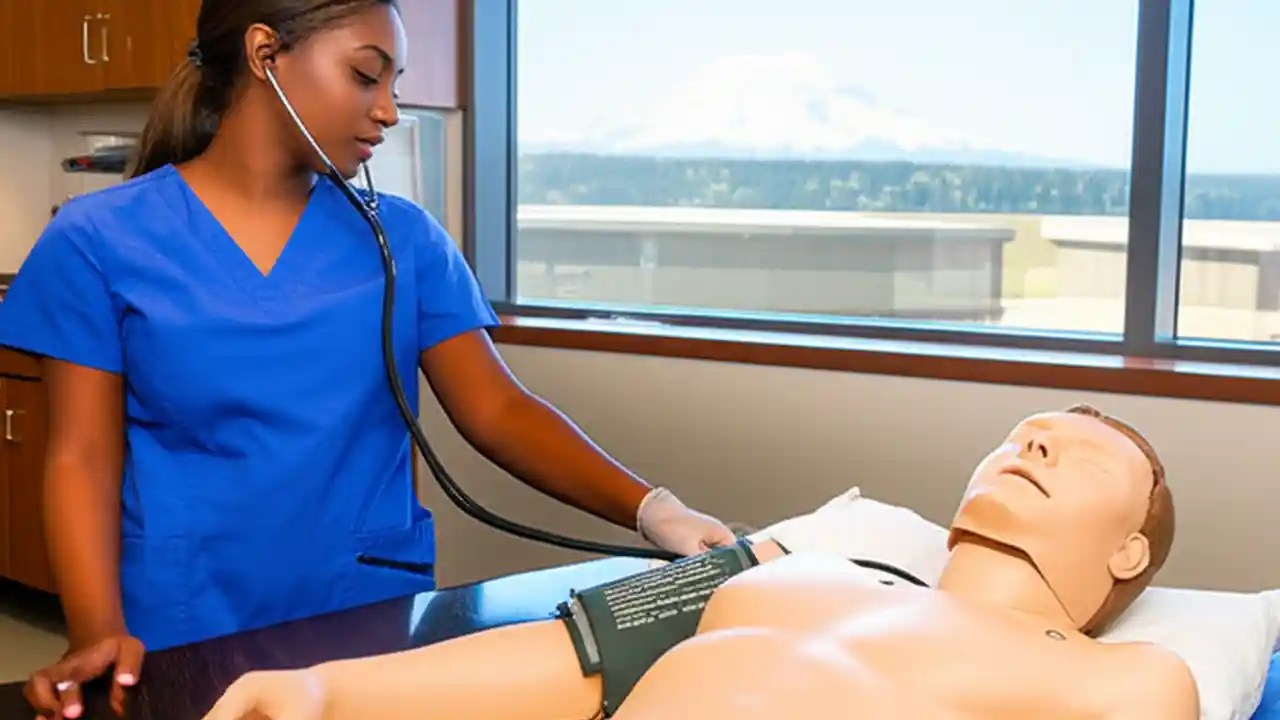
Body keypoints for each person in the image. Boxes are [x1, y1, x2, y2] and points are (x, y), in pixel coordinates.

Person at [5, 1, 736, 718]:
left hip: (363, 611)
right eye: (366, 76)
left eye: (395, 83)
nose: (389, 110)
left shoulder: (406, 241)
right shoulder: (98, 239)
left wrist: (652, 510)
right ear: (266, 54)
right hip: (183, 616)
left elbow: (499, 410)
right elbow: (82, 457)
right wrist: (97, 630)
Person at [200, 403, 1200, 719]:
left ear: (1128, 548)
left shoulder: (1129, 675)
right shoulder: (810, 568)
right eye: (1021, 432)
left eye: (1076, 450)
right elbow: (578, 658)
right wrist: (322, 689)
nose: (1029, 444)